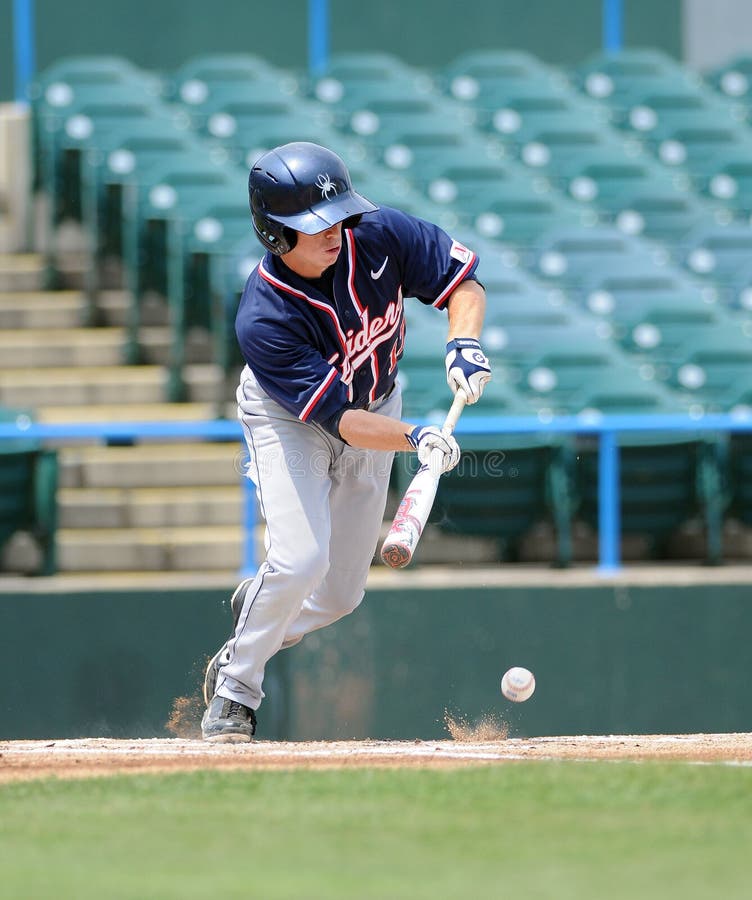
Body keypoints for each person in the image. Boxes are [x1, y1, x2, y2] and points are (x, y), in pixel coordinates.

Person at [201, 141, 491, 742]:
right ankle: (235, 689)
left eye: (338, 215)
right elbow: (339, 420)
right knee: (301, 560)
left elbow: (464, 285)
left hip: (379, 400)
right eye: (316, 224)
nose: (336, 230)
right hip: (291, 422)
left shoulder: (380, 234)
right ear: (276, 235)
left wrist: (463, 342)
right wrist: (415, 437)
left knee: (339, 594)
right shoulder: (265, 317)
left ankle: (263, 606)